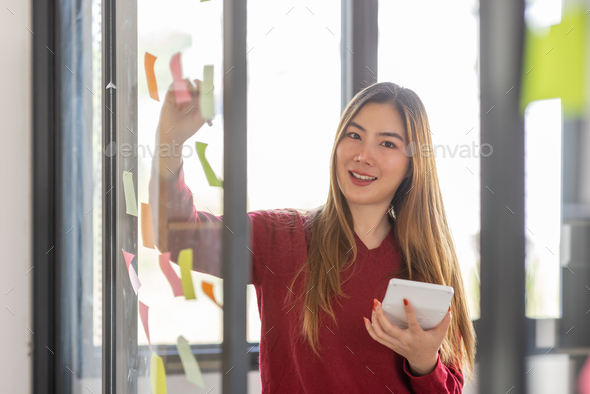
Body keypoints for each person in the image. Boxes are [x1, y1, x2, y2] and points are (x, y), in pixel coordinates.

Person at [149, 79, 477, 393]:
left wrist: (424, 361)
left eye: (387, 143)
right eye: (354, 135)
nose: (363, 155)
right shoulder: (277, 238)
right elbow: (178, 237)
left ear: (412, 164)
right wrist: (170, 143)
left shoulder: (428, 265)